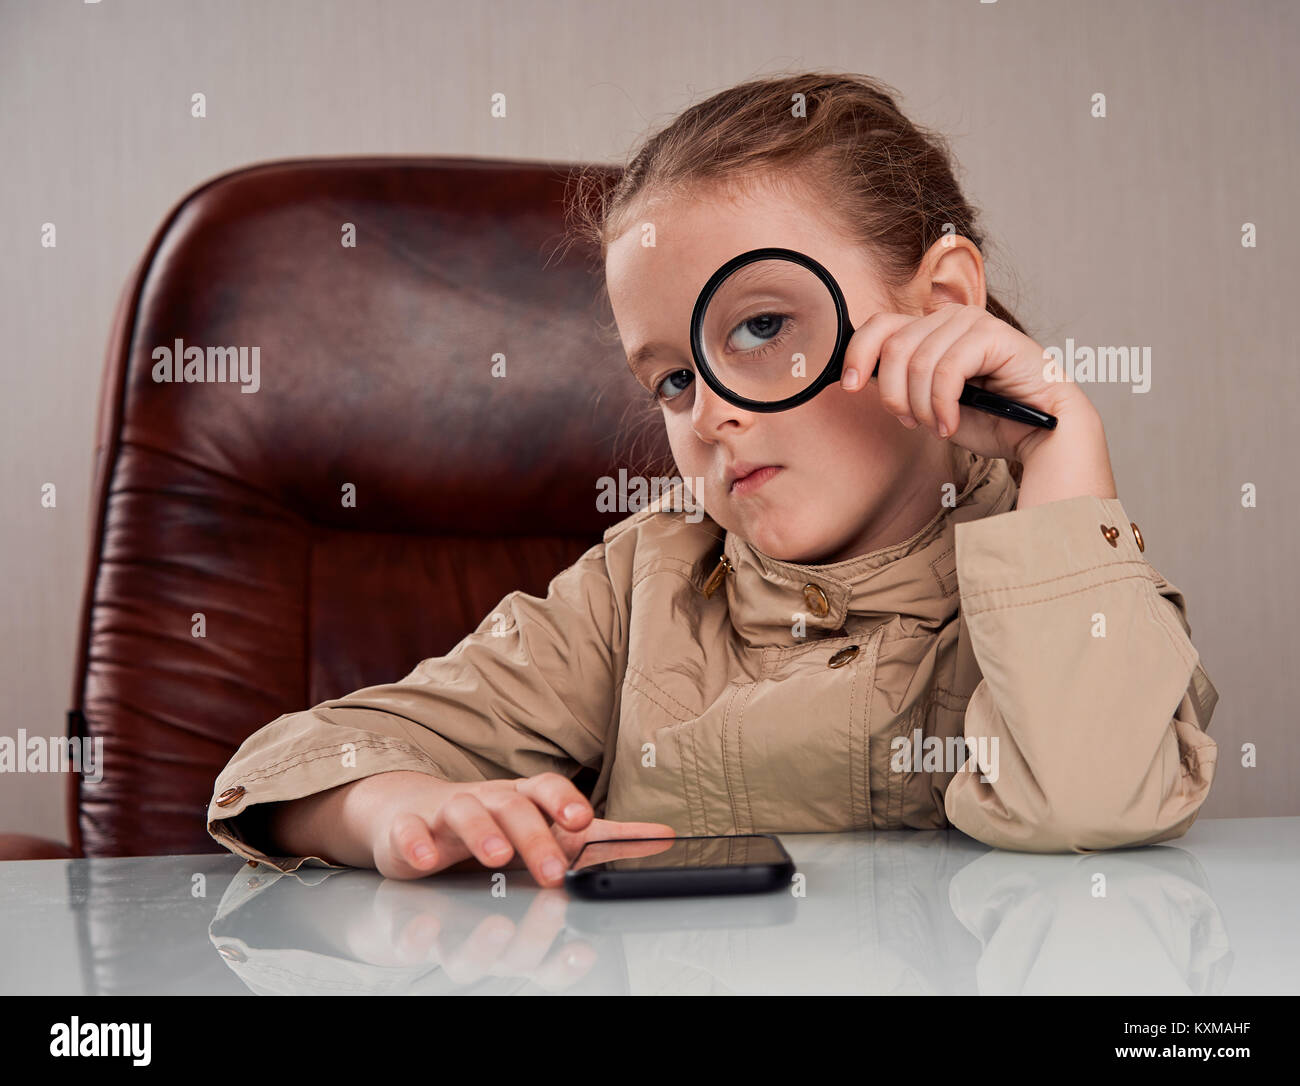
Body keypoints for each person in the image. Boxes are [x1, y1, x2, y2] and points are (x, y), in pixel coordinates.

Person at [207, 71, 1218, 886]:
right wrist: (394, 809)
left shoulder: (1055, 574)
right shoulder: (640, 586)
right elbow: (297, 760)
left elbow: (1093, 803)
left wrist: (1061, 447)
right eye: (673, 379)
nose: (711, 412)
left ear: (944, 304)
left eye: (762, 326)